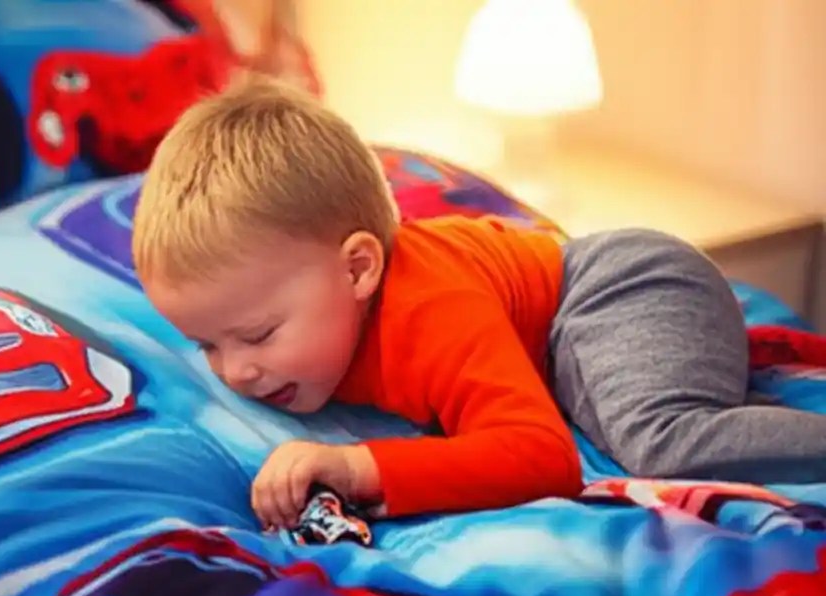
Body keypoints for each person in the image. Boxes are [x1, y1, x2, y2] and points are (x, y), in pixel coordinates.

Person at [130, 76, 826, 529]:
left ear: (359, 269)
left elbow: (542, 457)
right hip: (573, 328)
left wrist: (355, 466)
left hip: (627, 285)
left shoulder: (427, 314)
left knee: (658, 440)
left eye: (256, 334)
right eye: (207, 345)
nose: (235, 372)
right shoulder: (307, 311)